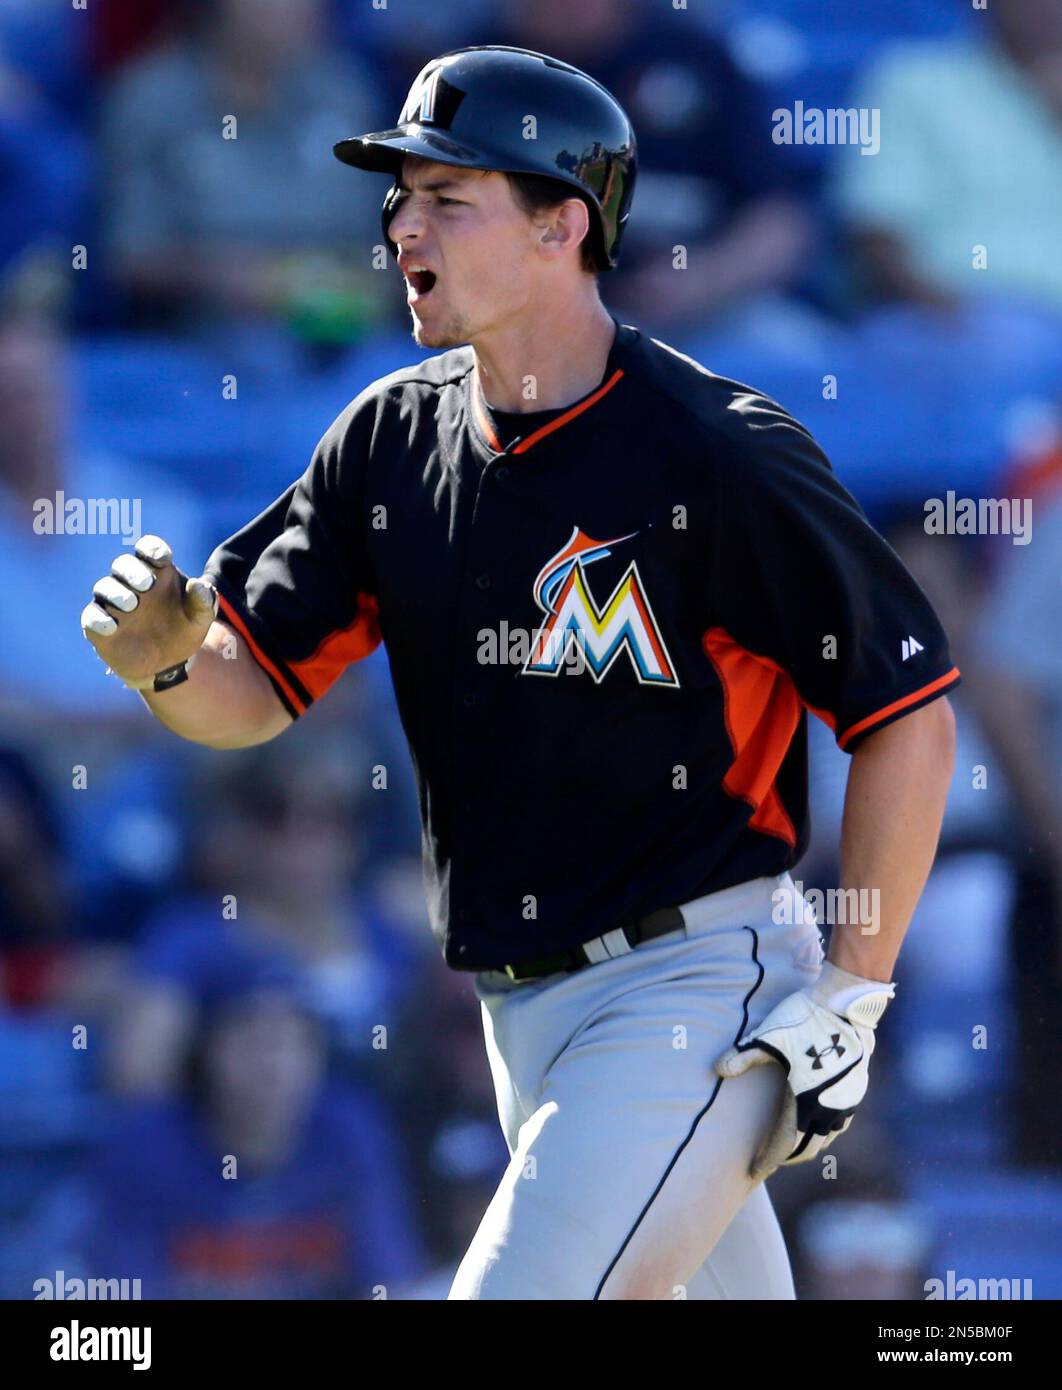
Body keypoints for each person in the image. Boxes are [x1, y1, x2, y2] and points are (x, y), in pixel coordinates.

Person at [80, 47, 959, 1300]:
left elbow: (907, 717)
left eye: (448, 197)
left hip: (694, 994)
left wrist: (855, 991)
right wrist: (171, 665)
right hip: (521, 1018)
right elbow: (251, 694)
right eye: (400, 196)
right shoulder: (388, 439)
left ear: (564, 224)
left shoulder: (716, 452)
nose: (401, 225)